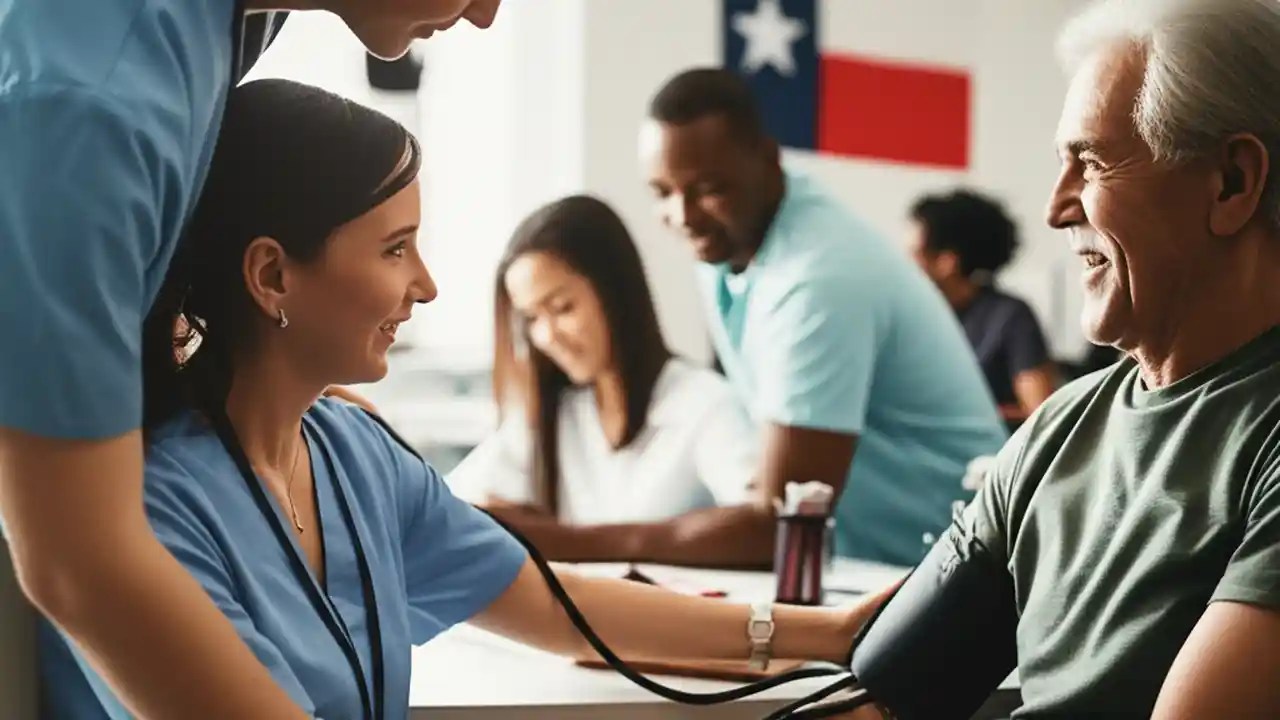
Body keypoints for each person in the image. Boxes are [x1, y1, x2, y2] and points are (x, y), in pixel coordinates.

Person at [38, 78, 885, 720]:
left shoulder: (355, 456)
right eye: (395, 249)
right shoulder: (151, 505)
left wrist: (832, 632)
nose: (427, 285)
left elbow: (560, 607)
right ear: (272, 276)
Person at [0, 2, 501, 718]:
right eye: (394, 248)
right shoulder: (86, 108)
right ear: (271, 275)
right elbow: (80, 564)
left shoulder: (225, 27)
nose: (485, 13)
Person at [846, 0, 1280, 716]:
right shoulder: (1061, 427)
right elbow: (887, 697)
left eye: (1092, 163)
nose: (1056, 208)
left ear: (1231, 182)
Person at [635, 68, 1008, 568]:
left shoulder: (817, 276)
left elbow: (778, 526)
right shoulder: (725, 246)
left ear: (768, 160)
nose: (683, 216)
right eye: (661, 192)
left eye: (708, 188)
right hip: (862, 566)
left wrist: (560, 540)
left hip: (955, 569)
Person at [447, 195, 760, 537]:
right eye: (532, 318)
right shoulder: (553, 414)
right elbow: (449, 502)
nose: (547, 336)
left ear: (615, 289)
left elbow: (760, 526)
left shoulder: (704, 403)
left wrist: (575, 541)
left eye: (563, 308)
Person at [906, 190, 1058, 425]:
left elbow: (1041, 414)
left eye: (914, 253)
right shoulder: (912, 317)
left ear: (947, 263)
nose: (905, 263)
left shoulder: (1010, 316)